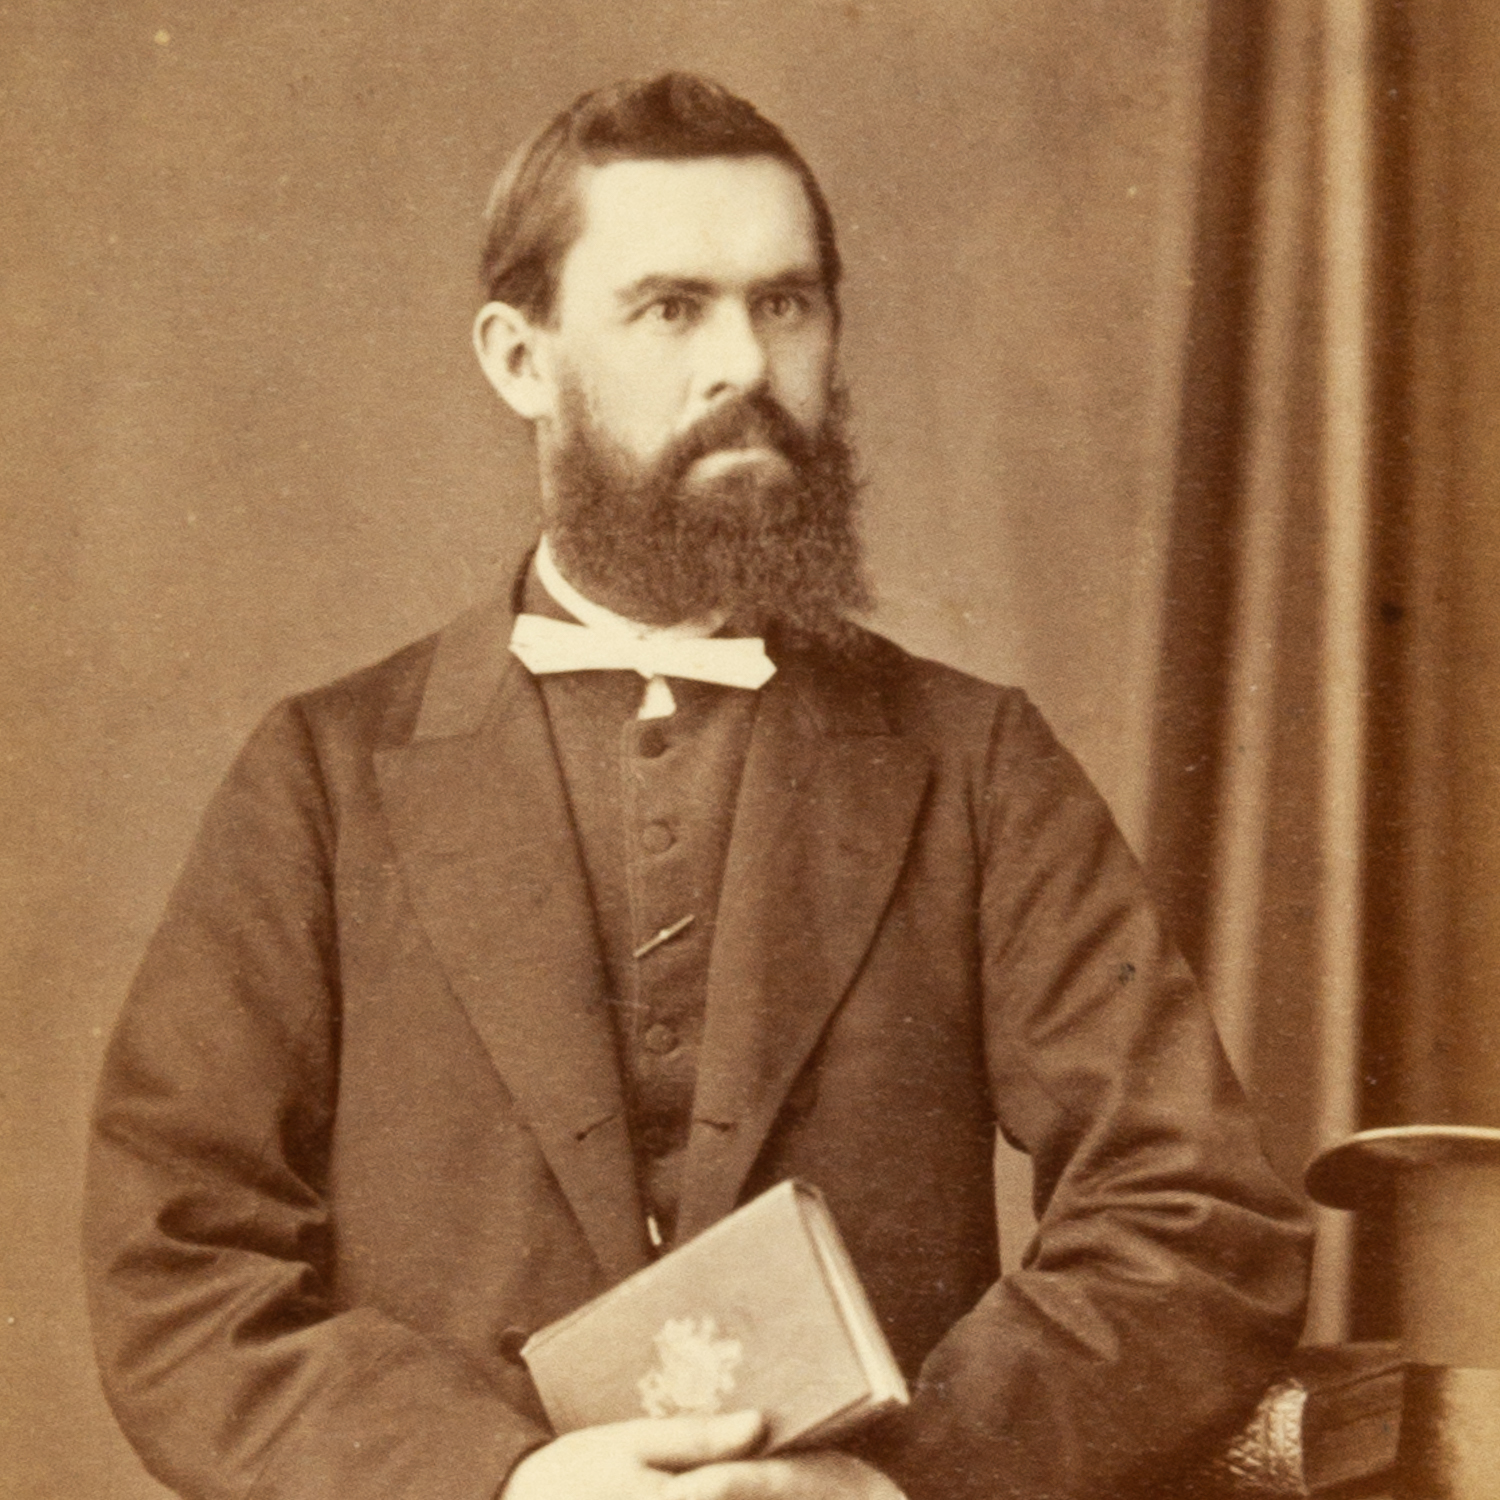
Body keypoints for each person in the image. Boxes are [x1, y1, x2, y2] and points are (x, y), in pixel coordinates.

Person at [84, 73, 1310, 1500]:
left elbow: (1195, 1212)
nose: (744, 364)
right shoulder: (323, 777)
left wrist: (908, 1481)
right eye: (672, 309)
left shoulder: (976, 761)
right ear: (520, 358)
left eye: (785, 304)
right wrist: (505, 1483)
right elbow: (177, 1262)